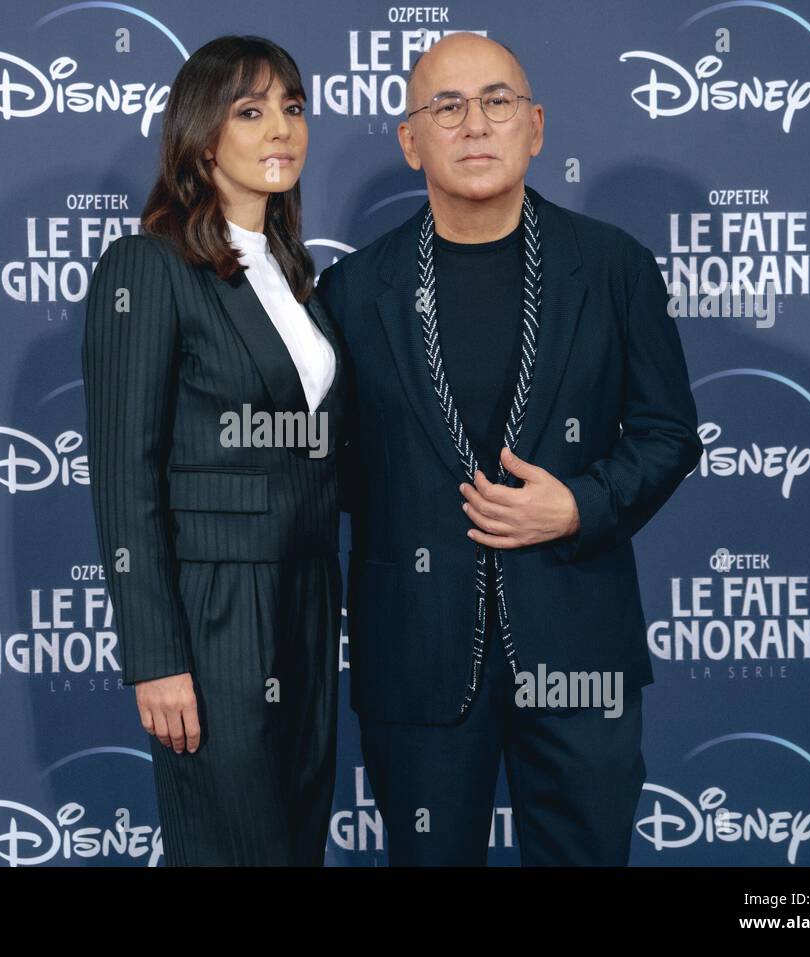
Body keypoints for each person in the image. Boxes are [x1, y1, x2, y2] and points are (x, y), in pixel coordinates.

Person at [315, 32, 703, 865]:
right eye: (445, 107)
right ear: (410, 140)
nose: (474, 125)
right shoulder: (351, 290)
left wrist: (580, 503)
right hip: (415, 651)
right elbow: (327, 467)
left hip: (579, 645)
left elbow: (671, 432)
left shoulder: (613, 268)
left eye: (496, 102)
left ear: (535, 126)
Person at [82, 35, 344, 866]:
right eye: (252, 110)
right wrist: (155, 658)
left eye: (293, 109)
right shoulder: (148, 265)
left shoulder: (294, 274)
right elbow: (126, 471)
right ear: (202, 137)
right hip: (216, 612)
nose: (282, 130)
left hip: (307, 597)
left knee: (296, 845)